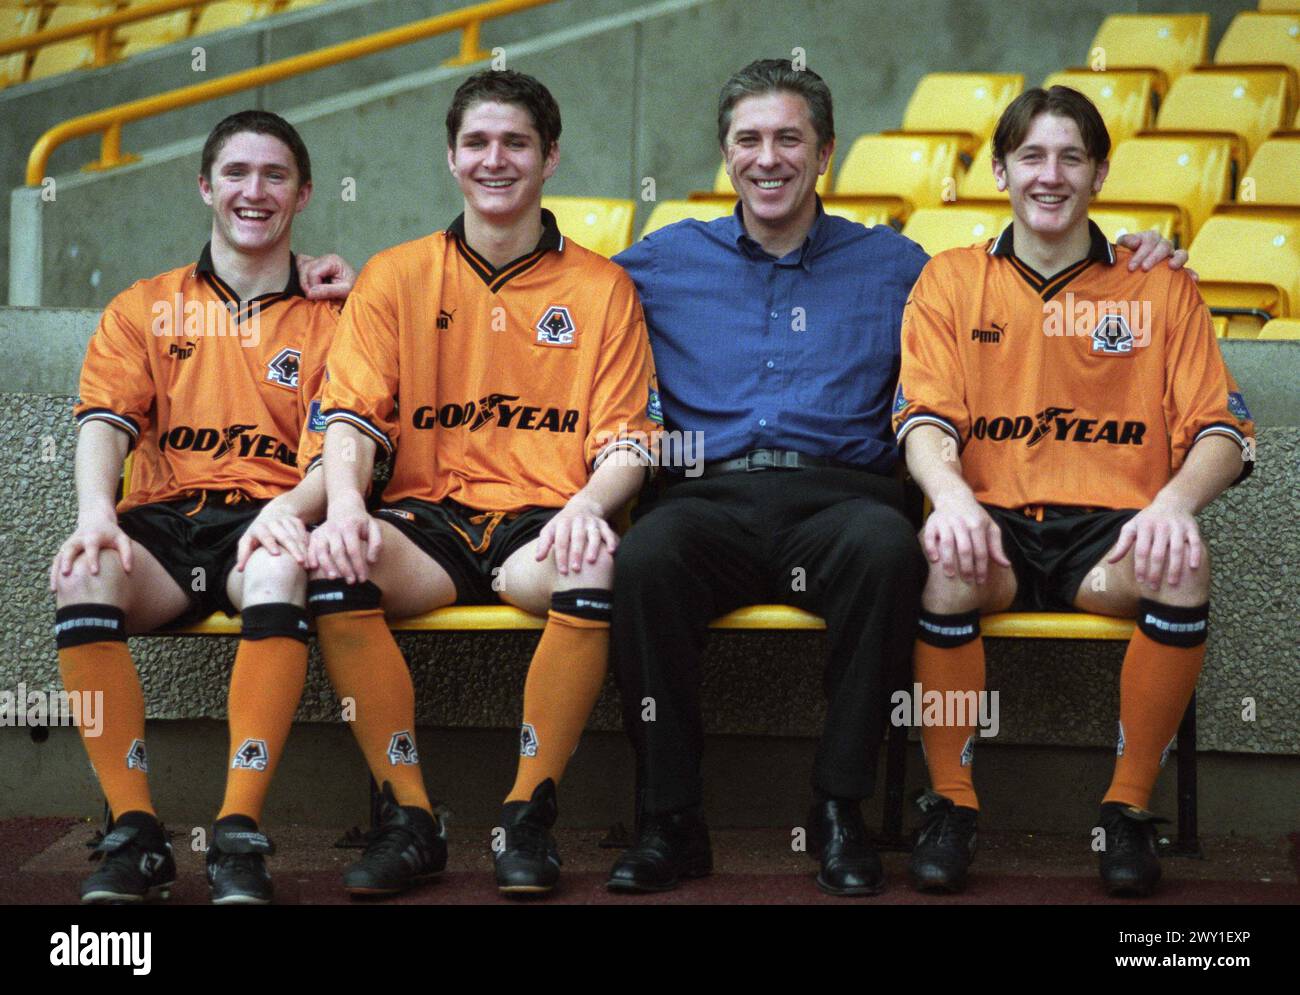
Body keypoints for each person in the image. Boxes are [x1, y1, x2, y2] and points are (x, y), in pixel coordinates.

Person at [605, 59, 1189, 897]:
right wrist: (354, 291)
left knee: (889, 553)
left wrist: (1139, 256)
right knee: (644, 562)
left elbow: (1022, 285)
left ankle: (842, 811)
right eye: (749, 140)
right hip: (708, 495)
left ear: (826, 152)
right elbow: (541, 281)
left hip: (845, 496)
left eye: (789, 139)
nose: (768, 158)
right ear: (725, 155)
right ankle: (671, 820)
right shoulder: (661, 260)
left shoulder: (897, 265)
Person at [893, 85, 1254, 897]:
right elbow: (923, 419)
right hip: (997, 530)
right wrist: (950, 497)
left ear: (1099, 173)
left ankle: (1125, 812)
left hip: (1112, 535)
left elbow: (1222, 432)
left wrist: (1172, 505)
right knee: (941, 559)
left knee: (1183, 562)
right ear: (997, 171)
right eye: (1030, 157)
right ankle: (951, 804)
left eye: (1069, 157)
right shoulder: (951, 281)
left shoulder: (1158, 284)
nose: (1048, 176)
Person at [306, 69, 659, 898]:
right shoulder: (395, 276)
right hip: (425, 521)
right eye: (477, 143)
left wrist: (587, 507)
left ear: (550, 159)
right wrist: (348, 506)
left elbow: (633, 441)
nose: (495, 159)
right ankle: (410, 816)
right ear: (451, 159)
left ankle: (525, 812)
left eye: (516, 143)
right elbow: (349, 415)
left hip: (543, 519)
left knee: (593, 559)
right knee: (334, 560)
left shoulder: (603, 287)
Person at [50, 110, 354, 905]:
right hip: (162, 518)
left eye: (275, 175)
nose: (254, 191)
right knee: (86, 575)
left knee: (283, 569)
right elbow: (103, 426)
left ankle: (237, 830)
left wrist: (289, 509)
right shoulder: (143, 307)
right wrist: (95, 513)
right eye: (236, 173)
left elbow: (344, 450)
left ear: (305, 193)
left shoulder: (338, 315)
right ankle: (135, 830)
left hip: (273, 513)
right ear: (205, 188)